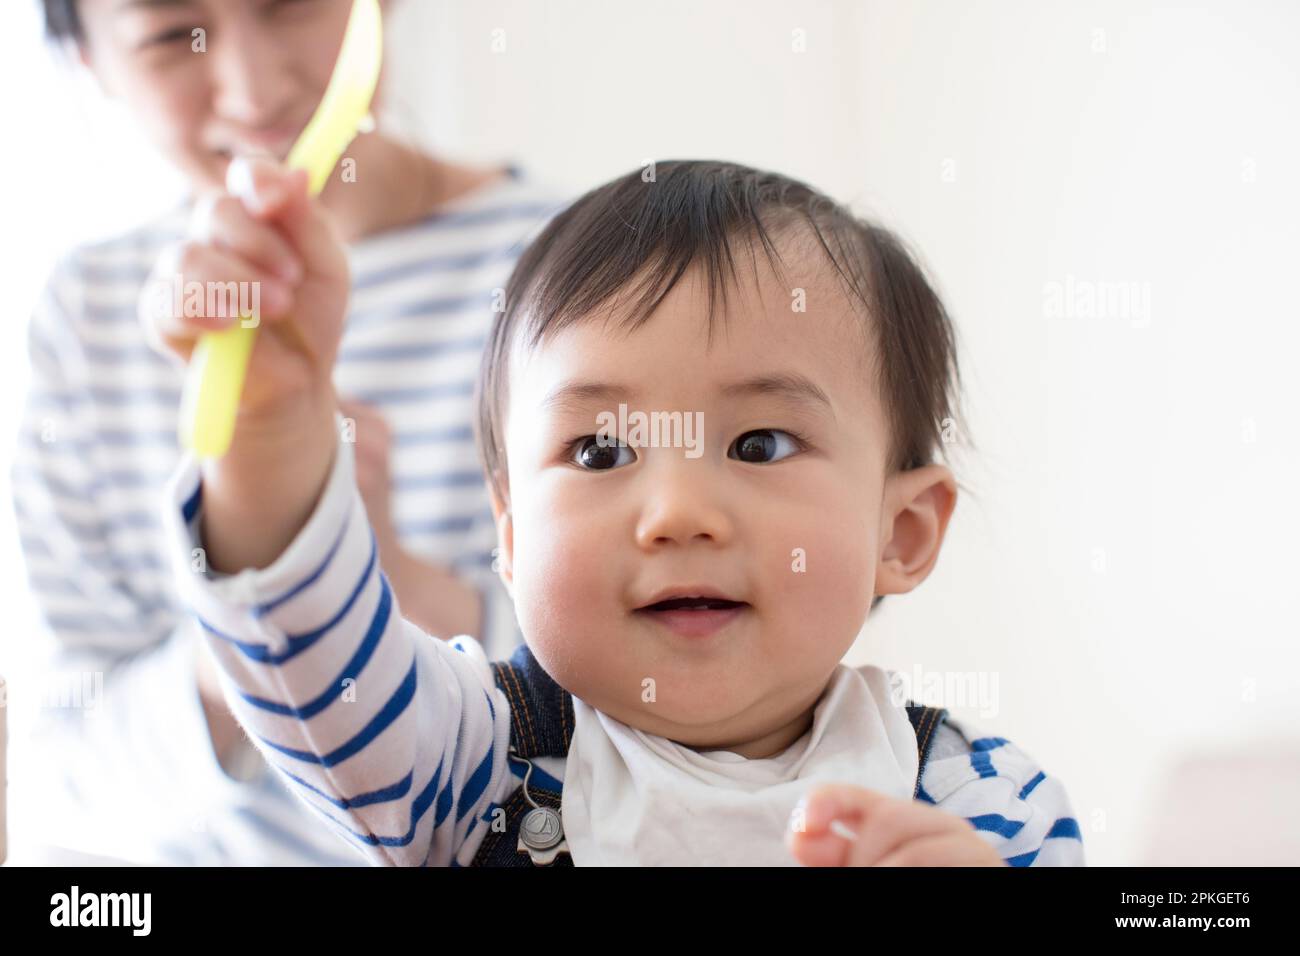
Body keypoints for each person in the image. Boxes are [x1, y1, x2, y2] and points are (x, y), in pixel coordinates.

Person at [151, 157, 1086, 866]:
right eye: (600, 451)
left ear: (902, 532)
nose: (677, 513)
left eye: (758, 444)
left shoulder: (985, 803)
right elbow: (319, 671)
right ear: (509, 538)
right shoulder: (475, 761)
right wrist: (268, 427)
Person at [13, 0, 559, 864]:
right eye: (168, 37)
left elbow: (643, 731)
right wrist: (278, 576)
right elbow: (67, 784)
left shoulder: (564, 273)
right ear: (89, 65)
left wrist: (390, 585)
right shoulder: (84, 316)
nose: (254, 88)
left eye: (291, 4)